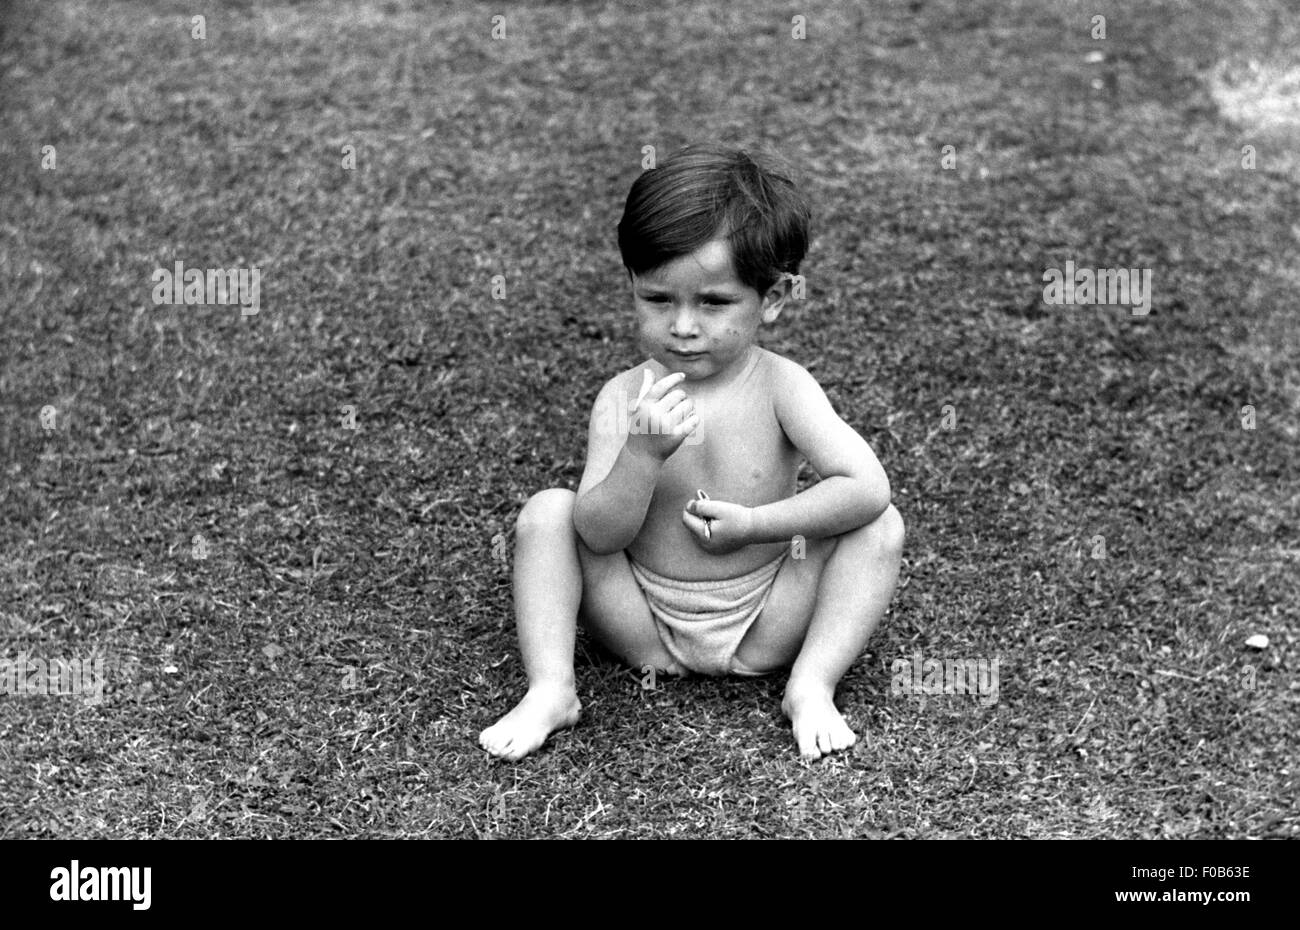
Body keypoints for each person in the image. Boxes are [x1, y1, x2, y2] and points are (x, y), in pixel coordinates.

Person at [480, 143, 904, 761]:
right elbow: (598, 535)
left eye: (713, 302)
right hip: (643, 623)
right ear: (631, 286)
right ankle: (552, 689)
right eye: (657, 299)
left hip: (765, 620)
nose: (683, 326)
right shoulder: (624, 396)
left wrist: (757, 525)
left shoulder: (783, 386)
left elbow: (867, 487)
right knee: (547, 512)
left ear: (776, 298)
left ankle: (811, 685)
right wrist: (642, 457)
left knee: (880, 528)